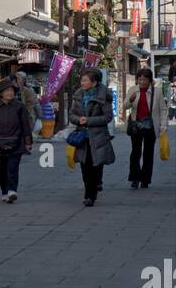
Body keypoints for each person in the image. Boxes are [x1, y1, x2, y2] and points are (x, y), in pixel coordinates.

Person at [69, 67, 114, 206]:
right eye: (81, 80)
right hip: (82, 136)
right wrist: (78, 120)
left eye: (85, 80)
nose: (82, 83)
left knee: (94, 166)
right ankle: (89, 191)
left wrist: (89, 121)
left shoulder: (103, 97)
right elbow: (71, 115)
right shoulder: (78, 95)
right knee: (84, 166)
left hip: (97, 136)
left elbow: (107, 117)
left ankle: (90, 195)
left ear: (94, 83)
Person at [0, 77, 32, 202]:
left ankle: (12, 190)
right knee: (1, 169)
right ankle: (4, 191)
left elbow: (25, 125)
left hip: (16, 142)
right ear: (1, 93)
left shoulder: (20, 107)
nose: (9, 93)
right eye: (6, 91)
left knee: (12, 167)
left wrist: (27, 142)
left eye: (11, 90)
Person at [125, 67, 169, 189]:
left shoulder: (157, 92)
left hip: (150, 126)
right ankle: (135, 178)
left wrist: (163, 125)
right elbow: (125, 106)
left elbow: (163, 110)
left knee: (148, 153)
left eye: (145, 79)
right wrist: (130, 99)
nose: (142, 82)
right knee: (135, 152)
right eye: (140, 79)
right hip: (136, 125)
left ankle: (145, 179)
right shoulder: (133, 90)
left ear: (150, 80)